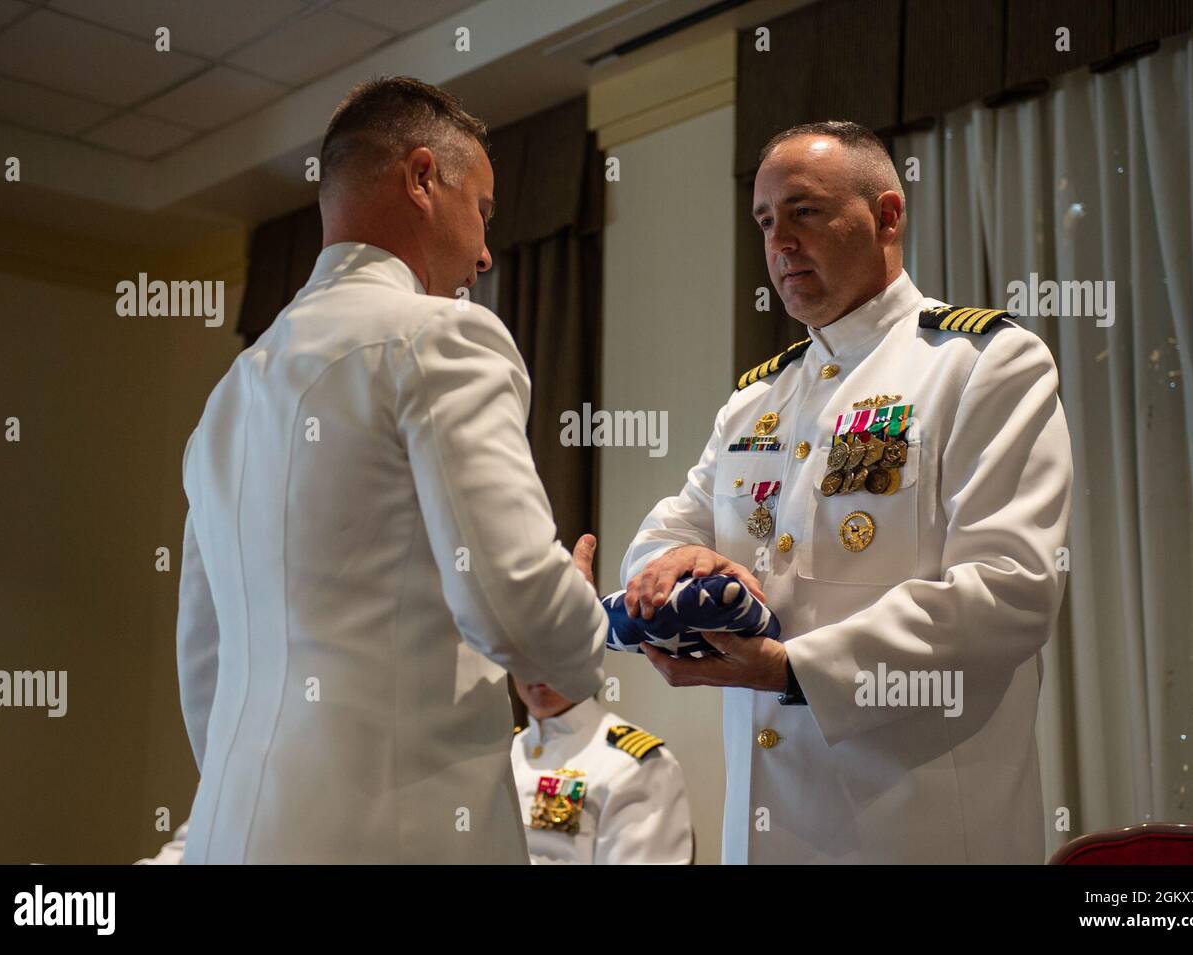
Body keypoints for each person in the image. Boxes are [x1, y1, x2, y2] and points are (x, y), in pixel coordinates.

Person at [176, 76, 607, 864]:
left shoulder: (229, 395)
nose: (483, 251)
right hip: (400, 835)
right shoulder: (439, 339)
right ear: (420, 179)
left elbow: (200, 662)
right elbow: (512, 602)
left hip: (229, 835)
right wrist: (582, 623)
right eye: (480, 209)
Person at [620, 121, 1073, 864]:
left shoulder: (981, 365)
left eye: (804, 212)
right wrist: (671, 567)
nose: (780, 243)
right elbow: (669, 530)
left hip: (915, 833)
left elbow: (1010, 589)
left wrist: (793, 668)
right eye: (766, 222)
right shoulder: (756, 400)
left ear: (887, 215)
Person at [511, 679, 692, 864]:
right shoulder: (505, 753)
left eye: (552, 652)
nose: (537, 667)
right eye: (524, 654)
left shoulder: (636, 764)